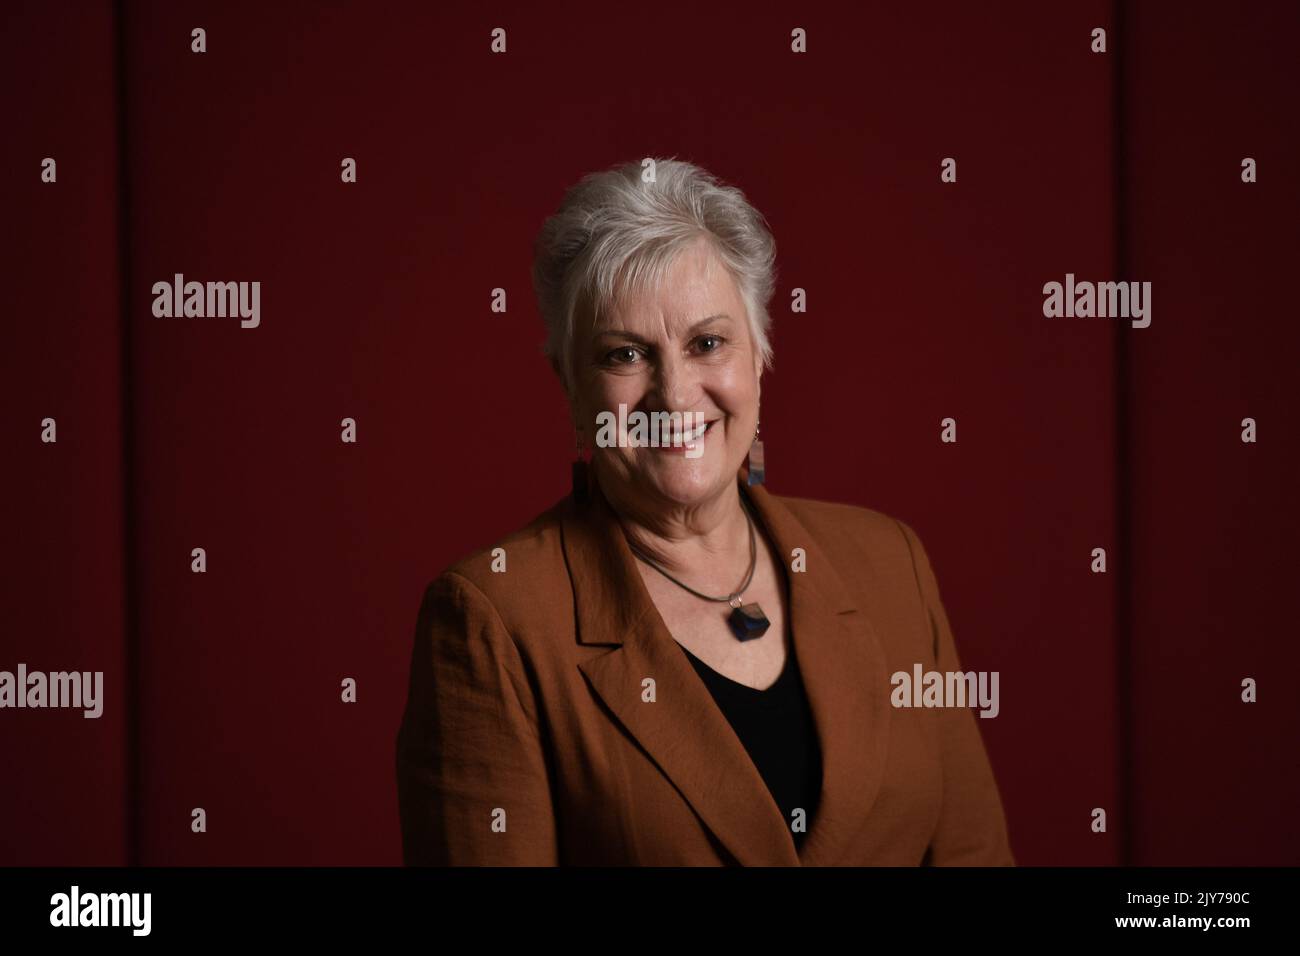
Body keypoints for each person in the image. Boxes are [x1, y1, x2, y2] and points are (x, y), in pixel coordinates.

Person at [395, 157, 1014, 865]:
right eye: (625, 354)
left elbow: (974, 855)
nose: (676, 396)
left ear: (761, 354)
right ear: (569, 385)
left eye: (707, 343)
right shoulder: (492, 621)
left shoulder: (890, 561)